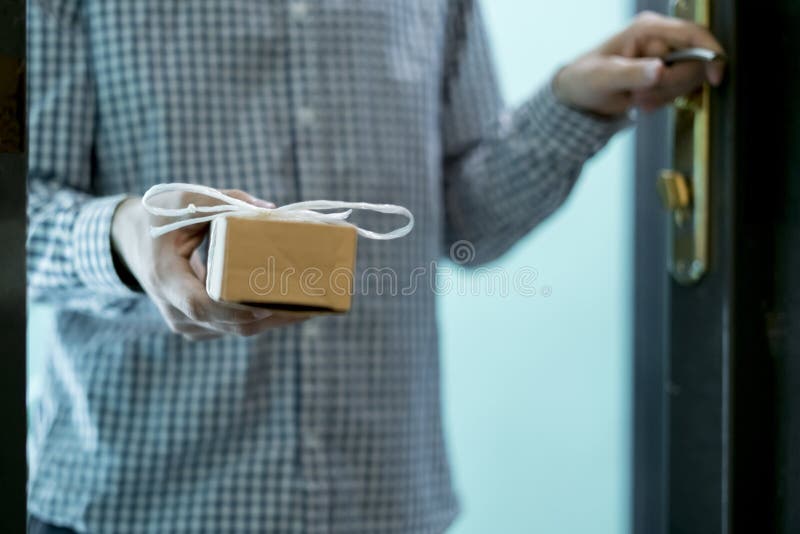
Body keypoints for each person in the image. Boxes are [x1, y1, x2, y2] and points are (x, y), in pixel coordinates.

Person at [26, 0, 724, 532]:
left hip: (384, 502)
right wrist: (122, 237)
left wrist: (571, 103)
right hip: (133, 503)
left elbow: (464, 223)